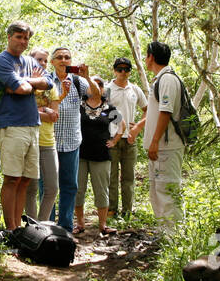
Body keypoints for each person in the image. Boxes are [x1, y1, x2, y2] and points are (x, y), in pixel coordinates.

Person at [0, 22, 51, 230]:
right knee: (12, 178)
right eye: (18, 37)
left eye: (26, 38)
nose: (23, 42)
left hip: (33, 125)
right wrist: (30, 83)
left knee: (25, 180)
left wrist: (26, 83)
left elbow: (48, 82)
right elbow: (22, 89)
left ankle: (18, 229)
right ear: (9, 37)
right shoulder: (0, 61)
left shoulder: (29, 61)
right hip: (11, 126)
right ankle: (10, 230)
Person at [144, 40, 187, 223]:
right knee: (157, 192)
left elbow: (166, 111)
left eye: (146, 56)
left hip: (166, 147)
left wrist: (154, 142)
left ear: (151, 57)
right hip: (159, 148)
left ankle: (174, 237)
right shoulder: (160, 79)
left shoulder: (167, 79)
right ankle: (164, 235)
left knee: (168, 192)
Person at [49, 47, 90, 232]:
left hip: (72, 141)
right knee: (48, 186)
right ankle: (46, 225)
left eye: (67, 57)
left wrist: (87, 77)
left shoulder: (78, 81)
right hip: (49, 142)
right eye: (59, 57)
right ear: (52, 61)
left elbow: (96, 97)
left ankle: (65, 227)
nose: (64, 60)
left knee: (70, 185)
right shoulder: (46, 81)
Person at [75, 77, 120, 236]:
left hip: (101, 155)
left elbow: (121, 125)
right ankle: (80, 224)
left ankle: (102, 225)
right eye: (91, 84)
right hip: (79, 154)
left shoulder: (109, 107)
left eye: (100, 84)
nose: (95, 87)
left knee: (101, 190)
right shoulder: (79, 105)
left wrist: (114, 141)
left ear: (102, 88)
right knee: (78, 190)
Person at [105, 56, 147, 219]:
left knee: (129, 177)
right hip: (112, 138)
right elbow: (102, 110)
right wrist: (117, 123)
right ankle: (111, 210)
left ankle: (127, 211)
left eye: (126, 69)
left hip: (130, 139)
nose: (123, 72)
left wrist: (138, 126)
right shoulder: (107, 89)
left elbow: (147, 109)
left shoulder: (134, 90)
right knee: (112, 176)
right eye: (119, 69)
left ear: (130, 71)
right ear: (114, 71)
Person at [25, 47, 60, 221]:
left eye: (45, 60)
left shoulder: (50, 86)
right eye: (39, 60)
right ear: (30, 60)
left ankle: (42, 225)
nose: (43, 63)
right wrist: (42, 112)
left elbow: (54, 116)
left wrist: (38, 111)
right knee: (30, 189)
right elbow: (23, 112)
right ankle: (32, 228)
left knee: (52, 188)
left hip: (48, 142)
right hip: (30, 140)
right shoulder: (25, 83)